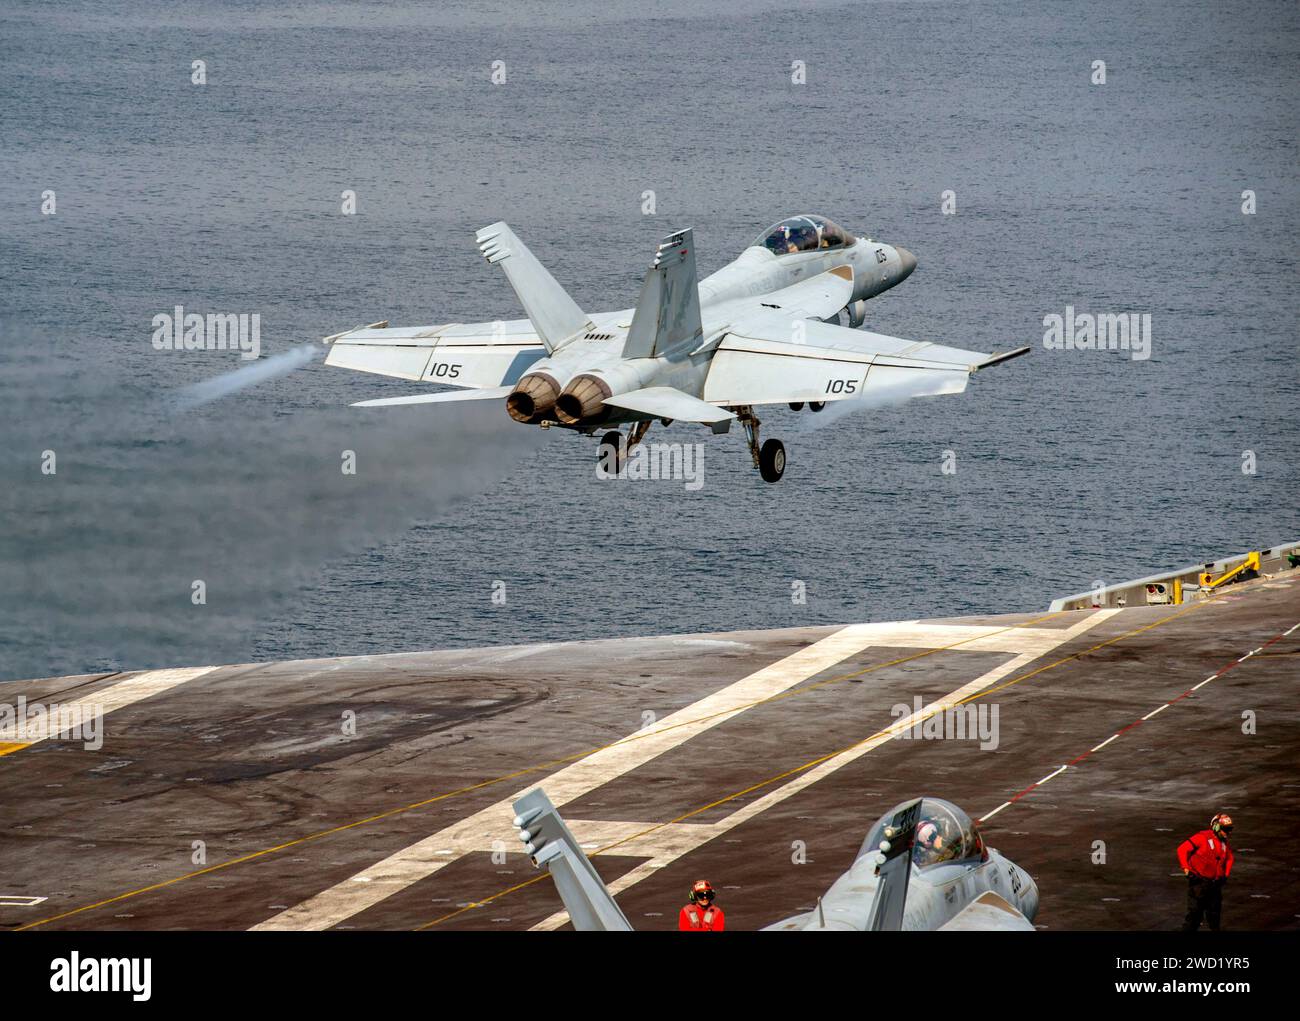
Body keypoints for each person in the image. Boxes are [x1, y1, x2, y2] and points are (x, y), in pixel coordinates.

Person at [1177, 814, 1234, 931]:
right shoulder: (1202, 837)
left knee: (1214, 918)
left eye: (1229, 830)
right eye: (1225, 830)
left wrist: (1225, 875)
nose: (1228, 833)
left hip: (1214, 885)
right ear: (1216, 827)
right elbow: (1182, 849)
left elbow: (1230, 858)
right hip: (1199, 883)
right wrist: (1186, 868)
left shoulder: (1224, 842)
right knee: (1194, 917)